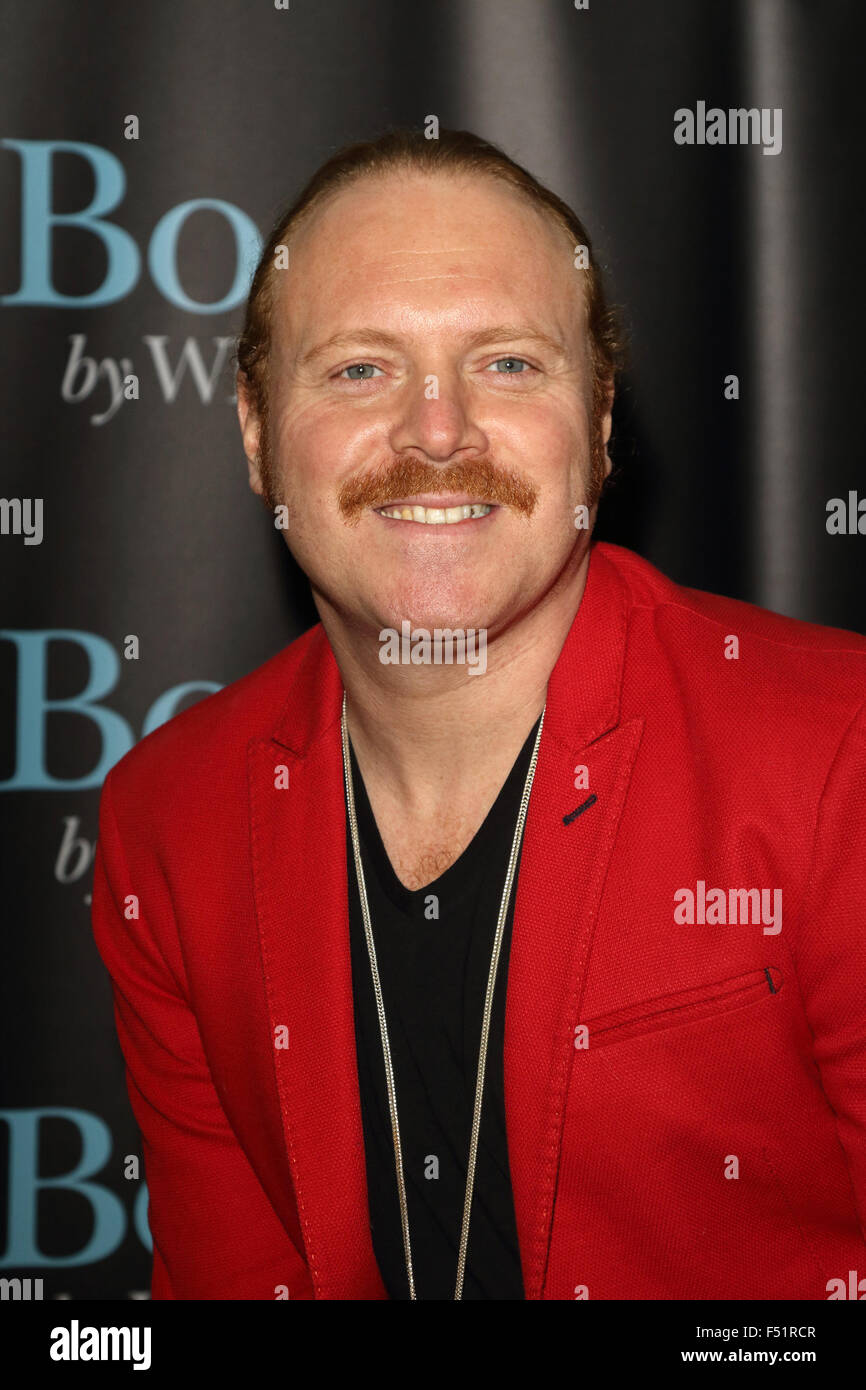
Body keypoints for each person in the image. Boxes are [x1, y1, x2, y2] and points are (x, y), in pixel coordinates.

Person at [91, 128, 866, 1301]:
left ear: (599, 424)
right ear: (256, 435)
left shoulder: (836, 755)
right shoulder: (169, 816)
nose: (437, 432)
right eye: (360, 369)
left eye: (506, 364)